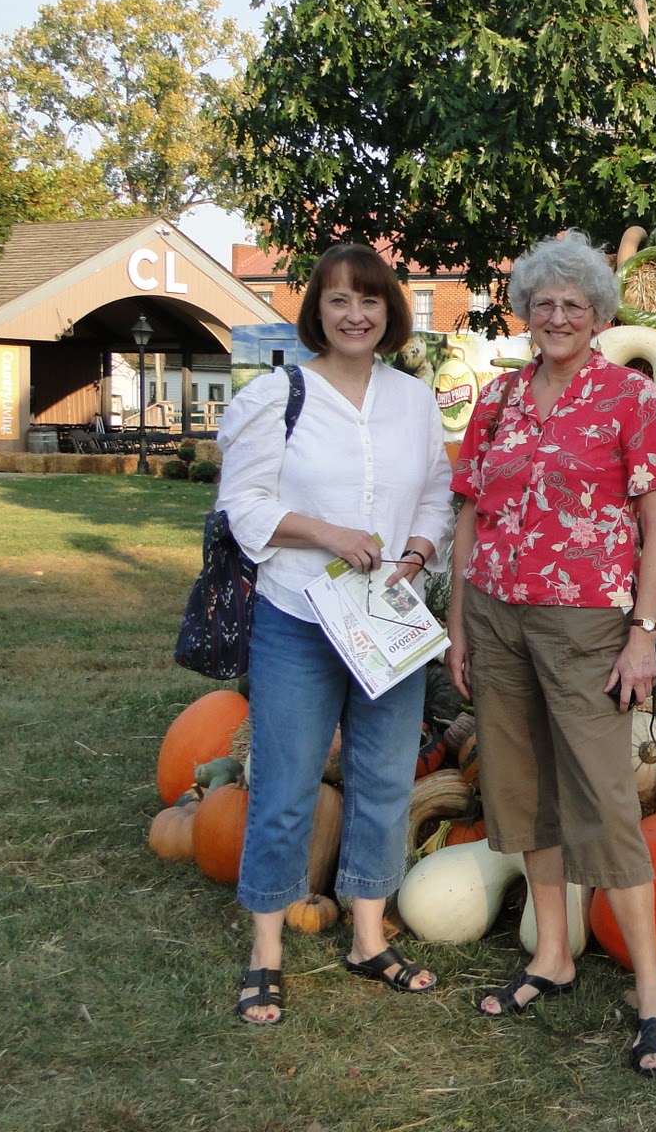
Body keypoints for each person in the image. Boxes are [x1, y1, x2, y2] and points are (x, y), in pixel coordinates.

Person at [445, 230, 656, 1077]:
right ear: (525, 312)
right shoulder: (499, 400)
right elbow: (469, 513)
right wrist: (459, 625)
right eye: (542, 304)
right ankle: (552, 955)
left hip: (586, 624)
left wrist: (644, 632)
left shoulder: (628, 398)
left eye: (572, 305)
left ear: (597, 315)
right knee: (523, 790)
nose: (555, 317)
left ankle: (650, 994)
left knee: (603, 800)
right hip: (497, 618)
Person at [218, 243, 455, 1026]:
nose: (356, 315)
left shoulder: (413, 401)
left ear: (390, 312)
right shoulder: (277, 397)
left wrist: (418, 551)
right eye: (339, 301)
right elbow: (243, 506)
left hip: (385, 619)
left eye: (371, 301)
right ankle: (266, 950)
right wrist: (326, 532)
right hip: (298, 615)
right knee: (285, 787)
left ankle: (366, 934)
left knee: (385, 780)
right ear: (317, 311)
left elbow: (434, 495)